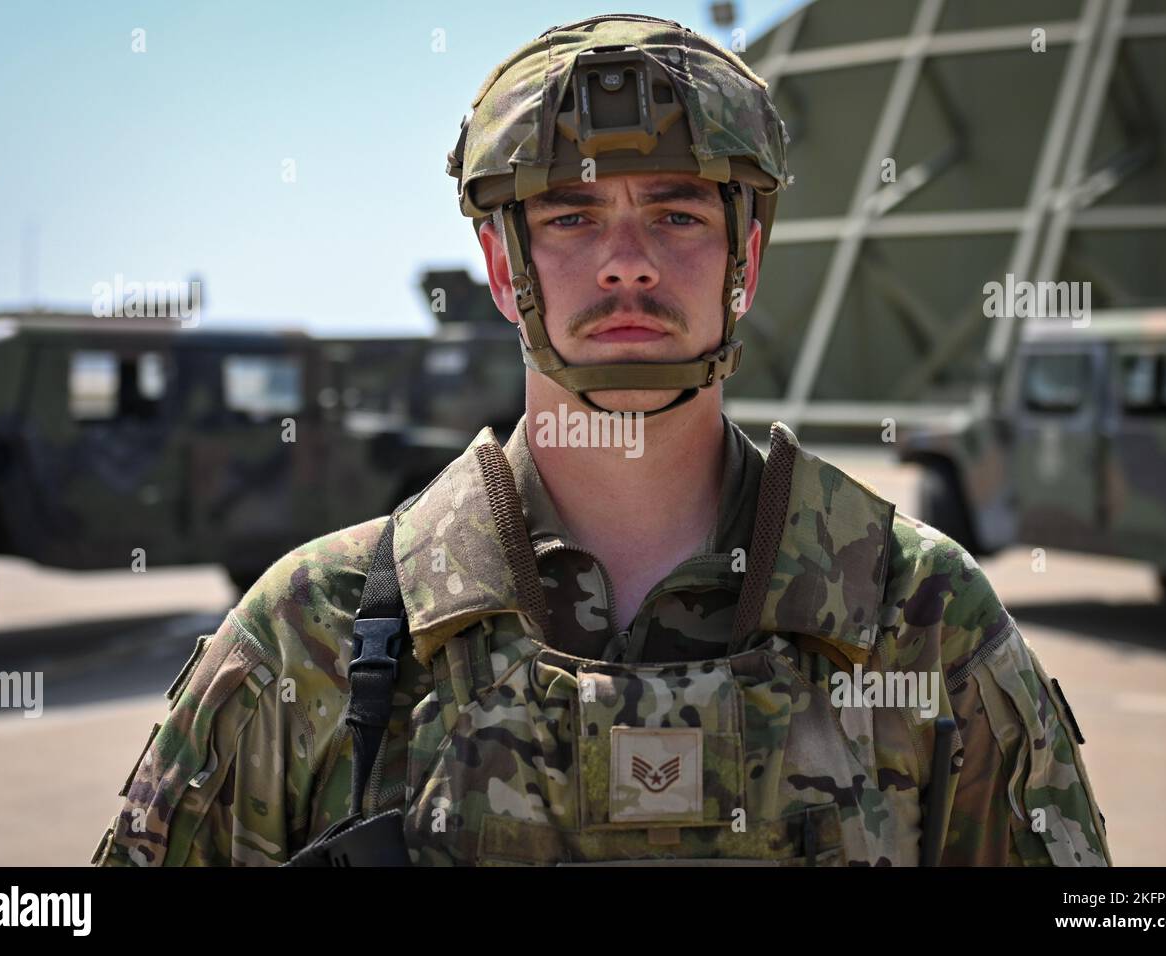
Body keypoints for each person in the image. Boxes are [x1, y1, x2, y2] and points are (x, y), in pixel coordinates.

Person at [93, 13, 1110, 867]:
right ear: (502, 266)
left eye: (675, 215)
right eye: (574, 218)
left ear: (743, 257)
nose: (626, 265)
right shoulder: (312, 630)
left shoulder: (922, 615)